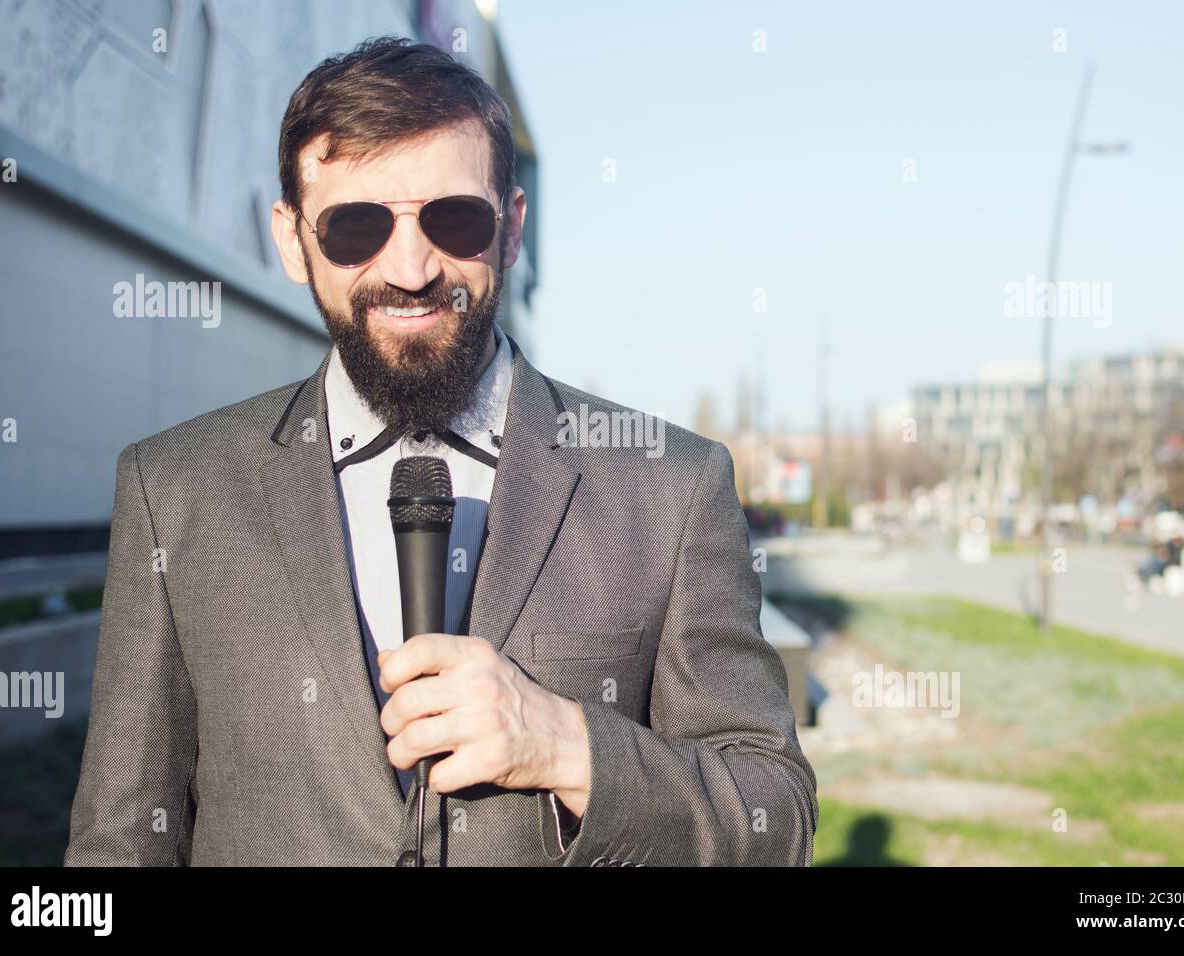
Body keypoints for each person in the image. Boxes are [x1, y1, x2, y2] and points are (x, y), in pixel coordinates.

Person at [64, 37, 816, 867]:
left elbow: (774, 820)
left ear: (512, 228)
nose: (412, 267)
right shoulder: (172, 490)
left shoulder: (670, 489)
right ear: (291, 239)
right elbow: (119, 842)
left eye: (454, 220)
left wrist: (566, 746)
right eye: (356, 226)